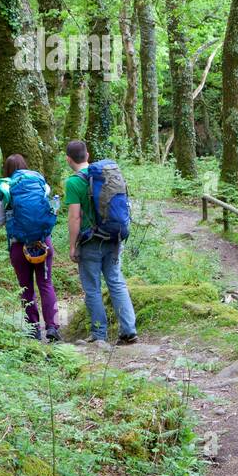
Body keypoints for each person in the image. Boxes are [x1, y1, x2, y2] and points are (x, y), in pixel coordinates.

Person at [64, 139, 137, 346]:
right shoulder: (105, 176)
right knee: (116, 282)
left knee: (93, 288)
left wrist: (72, 245)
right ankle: (129, 330)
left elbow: (74, 217)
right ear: (87, 156)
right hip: (114, 238)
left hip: (90, 243)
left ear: (68, 159)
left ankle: (99, 334)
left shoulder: (73, 183)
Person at [0, 154, 61, 342]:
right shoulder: (41, 184)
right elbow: (50, 209)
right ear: (25, 167)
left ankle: (33, 330)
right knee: (46, 285)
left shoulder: (5, 189)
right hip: (42, 244)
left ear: (7, 170)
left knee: (26, 288)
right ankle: (53, 327)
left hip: (19, 247)